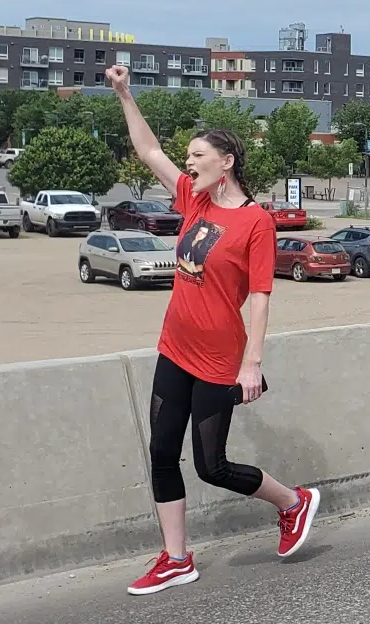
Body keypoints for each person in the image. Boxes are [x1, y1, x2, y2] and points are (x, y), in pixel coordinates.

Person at [106, 64, 320, 596]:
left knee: (211, 465)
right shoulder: (193, 199)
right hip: (174, 347)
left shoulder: (256, 223)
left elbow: (262, 297)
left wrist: (252, 363)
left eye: (197, 157)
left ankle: (293, 503)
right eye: (188, 159)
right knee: (160, 452)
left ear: (224, 163)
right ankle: (176, 558)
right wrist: (123, 93)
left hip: (220, 359)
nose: (188, 164)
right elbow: (148, 151)